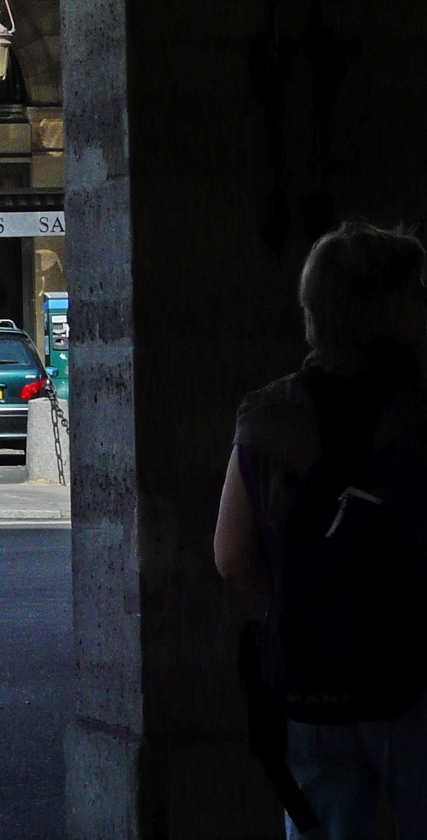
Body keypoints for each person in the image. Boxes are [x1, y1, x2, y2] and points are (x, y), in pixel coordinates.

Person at [214, 221, 427, 839]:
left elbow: (230, 555)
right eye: (417, 292)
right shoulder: (420, 414)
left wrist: (314, 603)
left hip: (313, 680)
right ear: (390, 309)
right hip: (413, 677)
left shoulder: (268, 413)